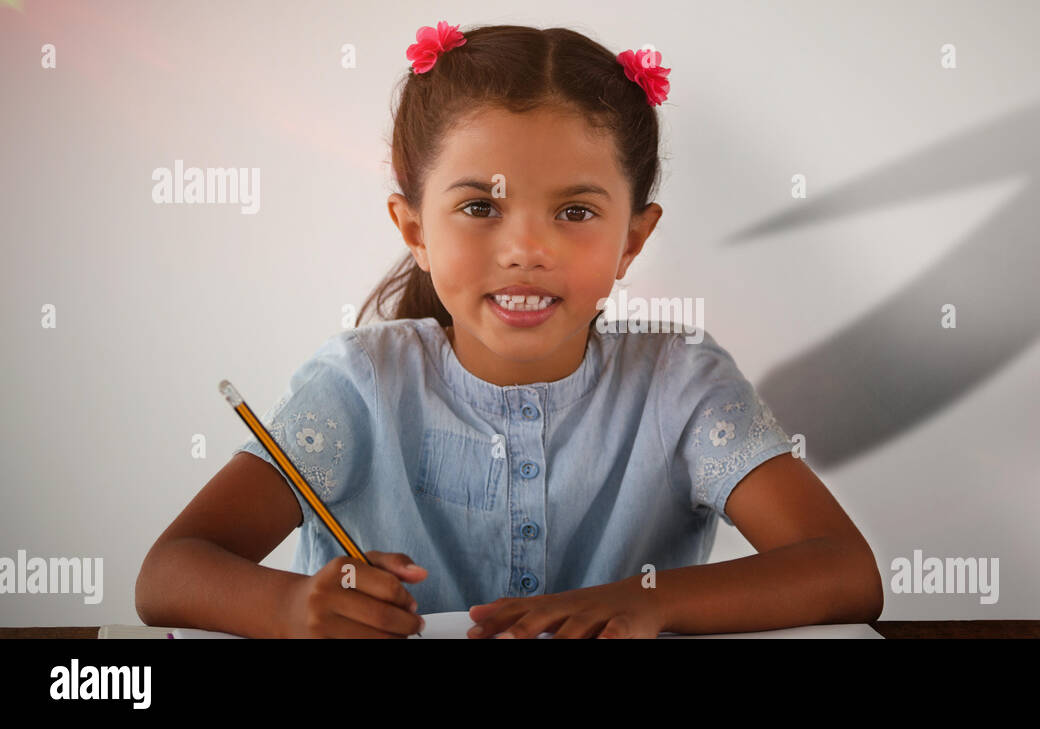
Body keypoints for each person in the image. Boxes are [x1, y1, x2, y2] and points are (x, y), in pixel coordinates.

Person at [135, 22, 883, 638]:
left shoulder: (679, 380)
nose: (527, 249)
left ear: (633, 240)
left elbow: (845, 571)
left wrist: (653, 600)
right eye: (481, 207)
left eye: (576, 212)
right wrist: (290, 607)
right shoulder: (360, 385)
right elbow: (168, 572)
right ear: (415, 229)